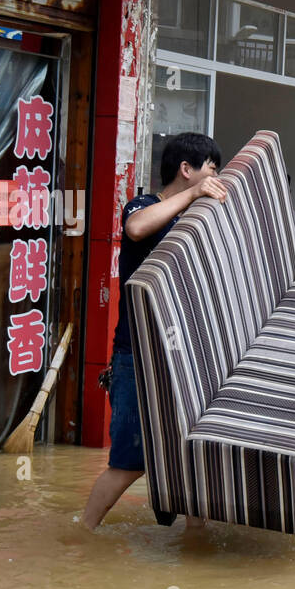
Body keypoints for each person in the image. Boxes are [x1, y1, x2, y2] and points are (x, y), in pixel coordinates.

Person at [81, 133, 226, 530]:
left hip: (187, 355)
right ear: (186, 170)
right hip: (137, 355)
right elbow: (136, 228)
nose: (215, 177)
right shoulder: (145, 205)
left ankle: (195, 544)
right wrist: (194, 195)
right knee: (130, 461)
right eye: (211, 168)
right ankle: (79, 536)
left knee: (196, 455)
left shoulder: (197, 217)